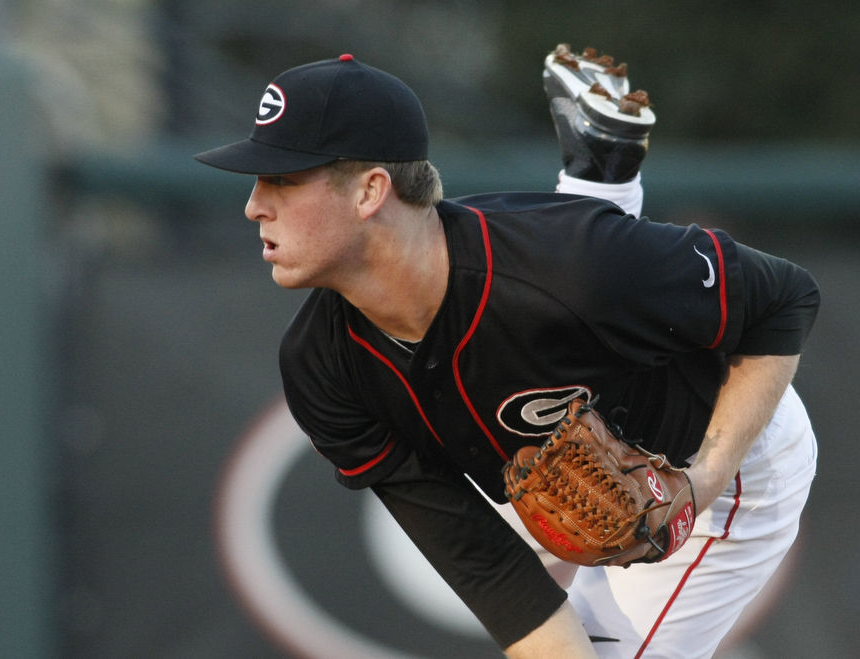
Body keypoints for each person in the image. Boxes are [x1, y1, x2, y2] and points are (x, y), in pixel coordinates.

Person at [195, 46, 820, 658]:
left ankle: (597, 190)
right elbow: (482, 563)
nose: (254, 206)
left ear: (369, 191)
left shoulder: (567, 265)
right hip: (538, 480)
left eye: (282, 179)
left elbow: (783, 299)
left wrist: (702, 481)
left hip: (716, 463)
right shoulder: (320, 368)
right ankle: (595, 181)